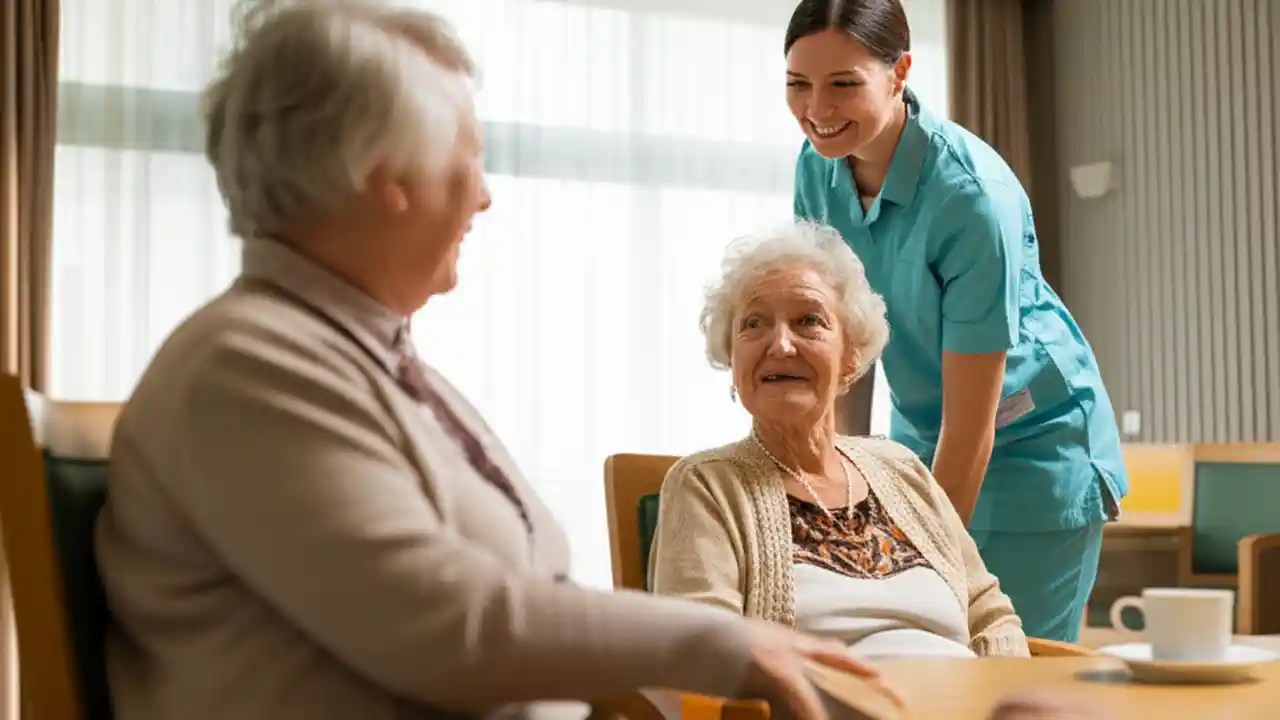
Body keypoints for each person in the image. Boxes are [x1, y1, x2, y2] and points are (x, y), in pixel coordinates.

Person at [93, 2, 892, 719]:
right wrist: (727, 644)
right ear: (385, 175)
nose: (483, 196)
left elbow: (520, 604)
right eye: (468, 157)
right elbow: (451, 628)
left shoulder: (364, 362)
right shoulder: (247, 370)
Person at [782, 0, 1128, 642]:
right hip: (921, 438)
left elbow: (971, 430)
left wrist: (925, 564)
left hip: (1032, 452)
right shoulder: (817, 168)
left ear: (899, 72)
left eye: (843, 84)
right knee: (915, 659)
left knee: (1008, 672)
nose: (817, 110)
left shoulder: (969, 198)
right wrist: (840, 485)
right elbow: (844, 349)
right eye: (798, 84)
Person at [649, 221, 1028, 660]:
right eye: (754, 323)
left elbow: (991, 614)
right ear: (732, 357)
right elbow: (702, 655)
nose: (781, 345)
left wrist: (1000, 685)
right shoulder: (706, 486)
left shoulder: (901, 469)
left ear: (850, 357)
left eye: (808, 320)